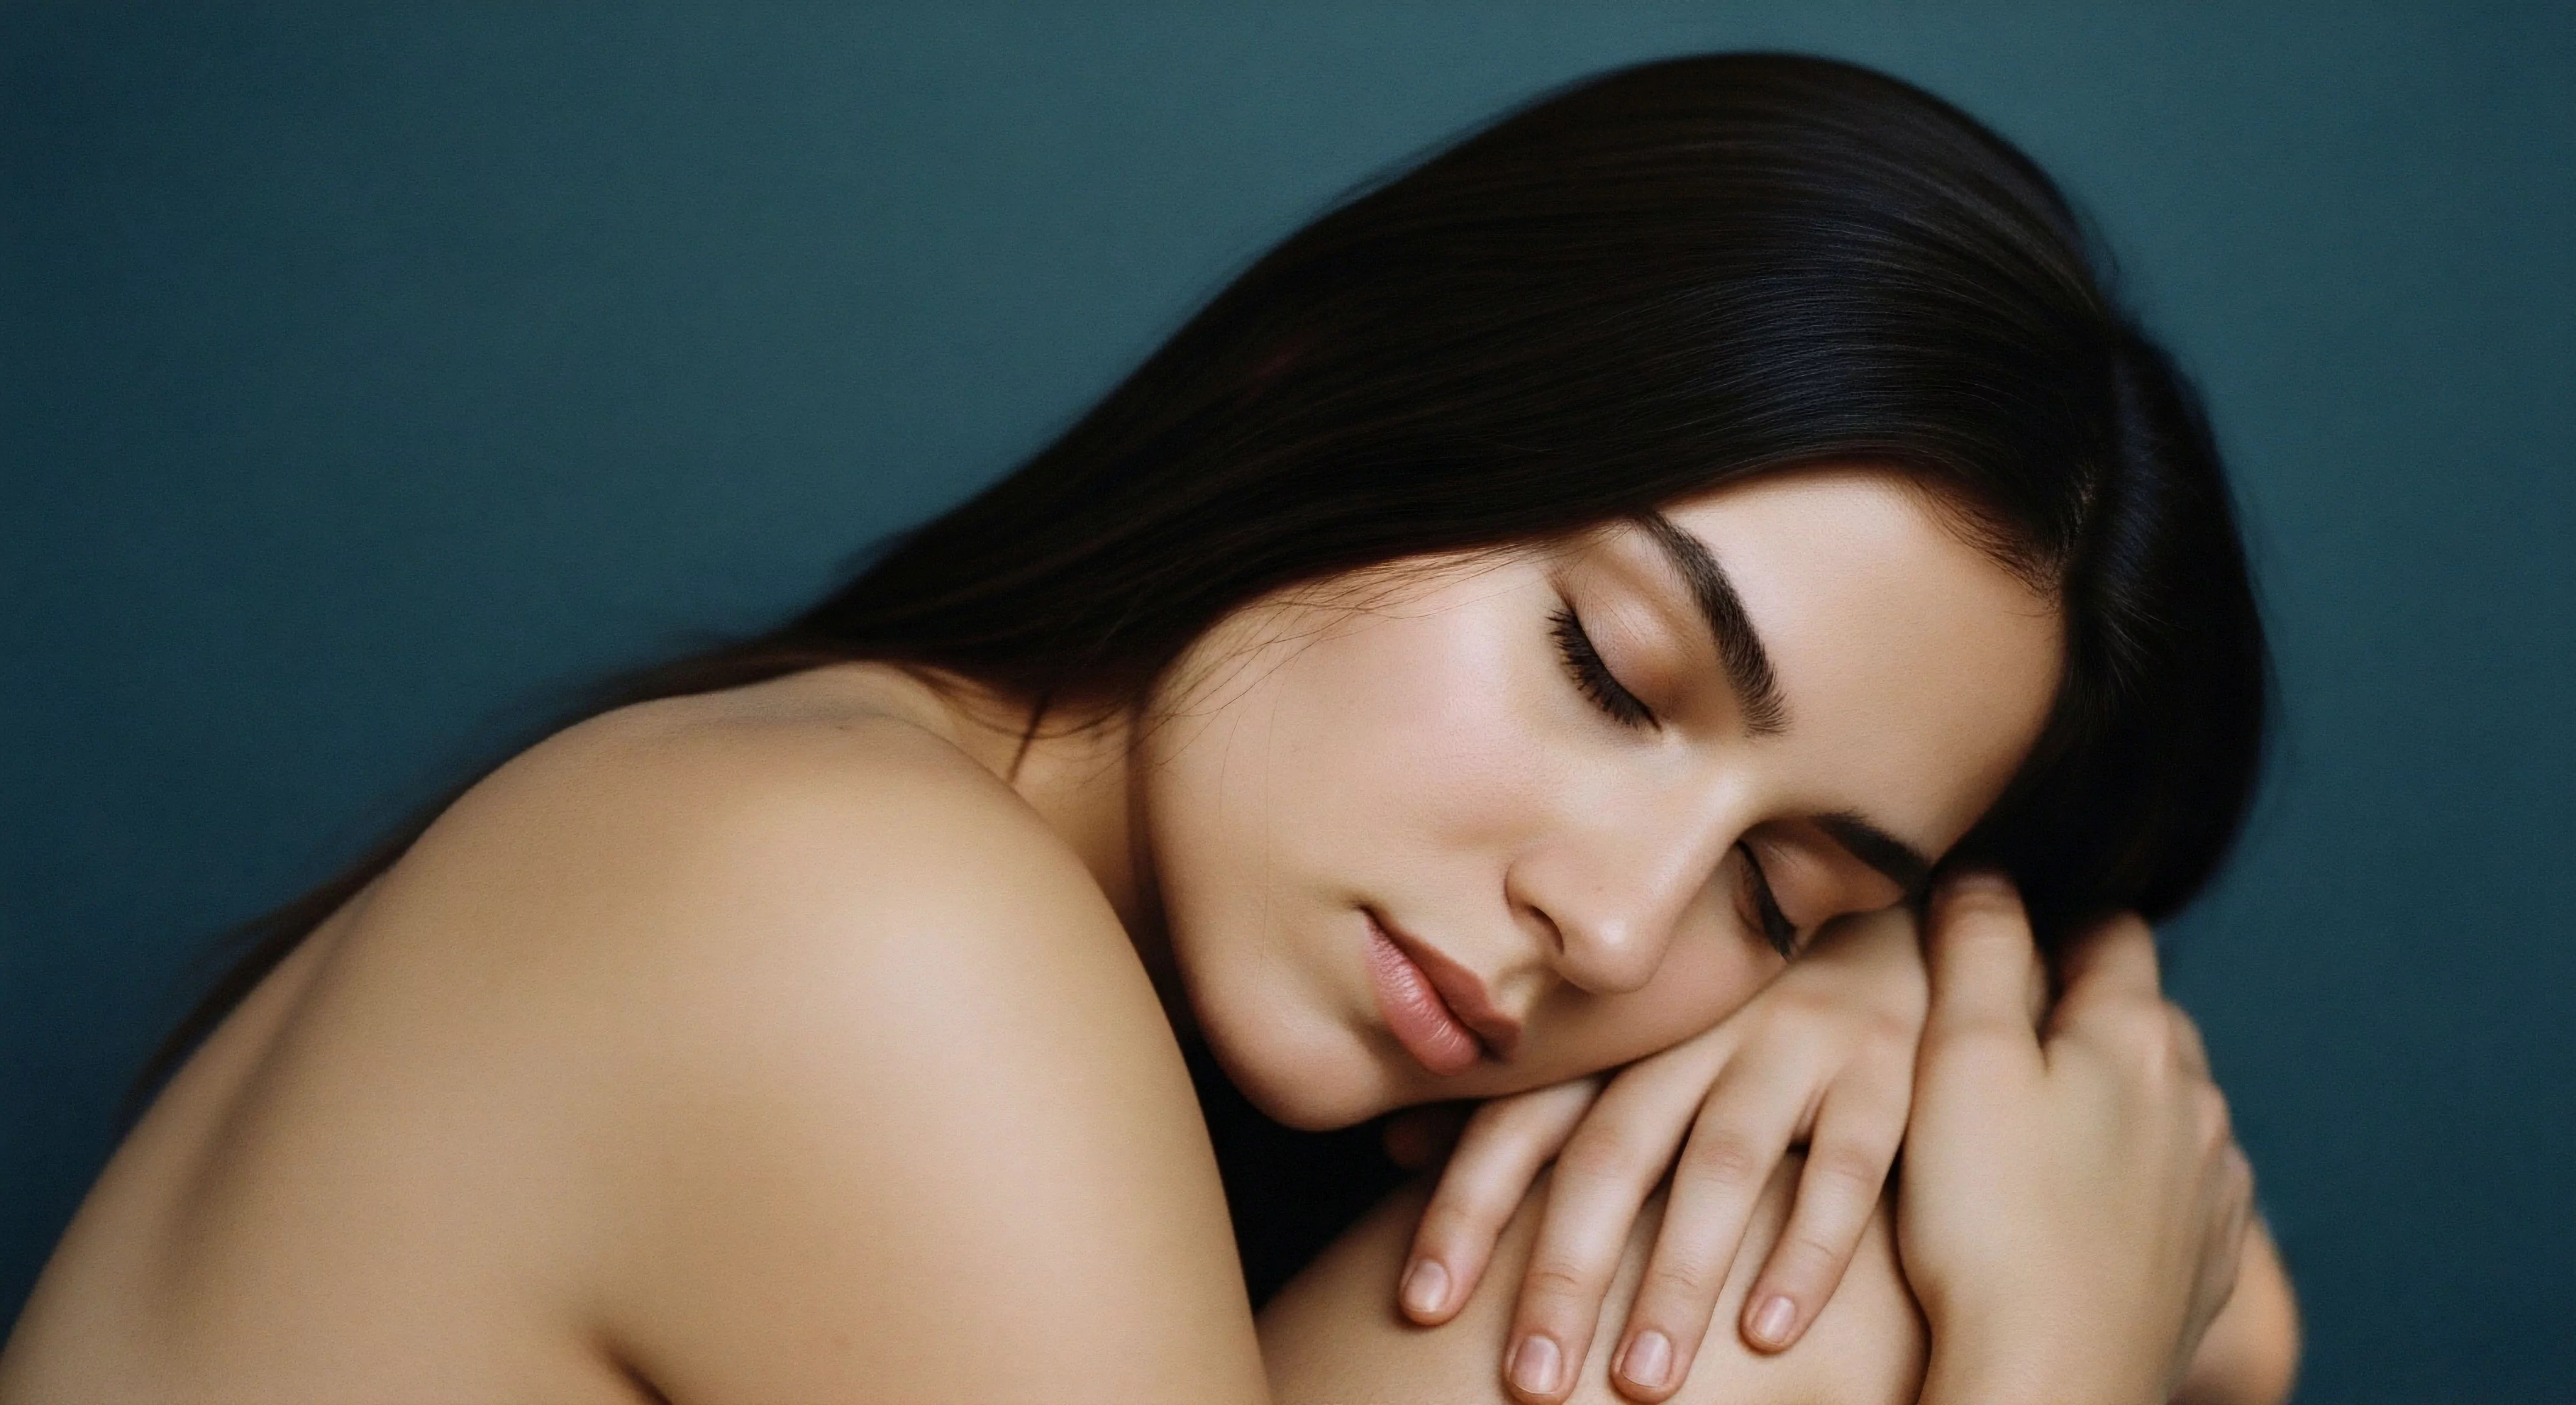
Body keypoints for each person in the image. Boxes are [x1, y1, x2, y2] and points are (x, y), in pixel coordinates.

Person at [0, 53, 2295, 1404]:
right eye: (1610, 666)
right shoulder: (848, 916)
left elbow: (2236, 1300)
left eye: (1773, 891)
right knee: (1823, 1281)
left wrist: (1887, 1013)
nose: (1610, 926)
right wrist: (2046, 1367)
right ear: (1334, 388)